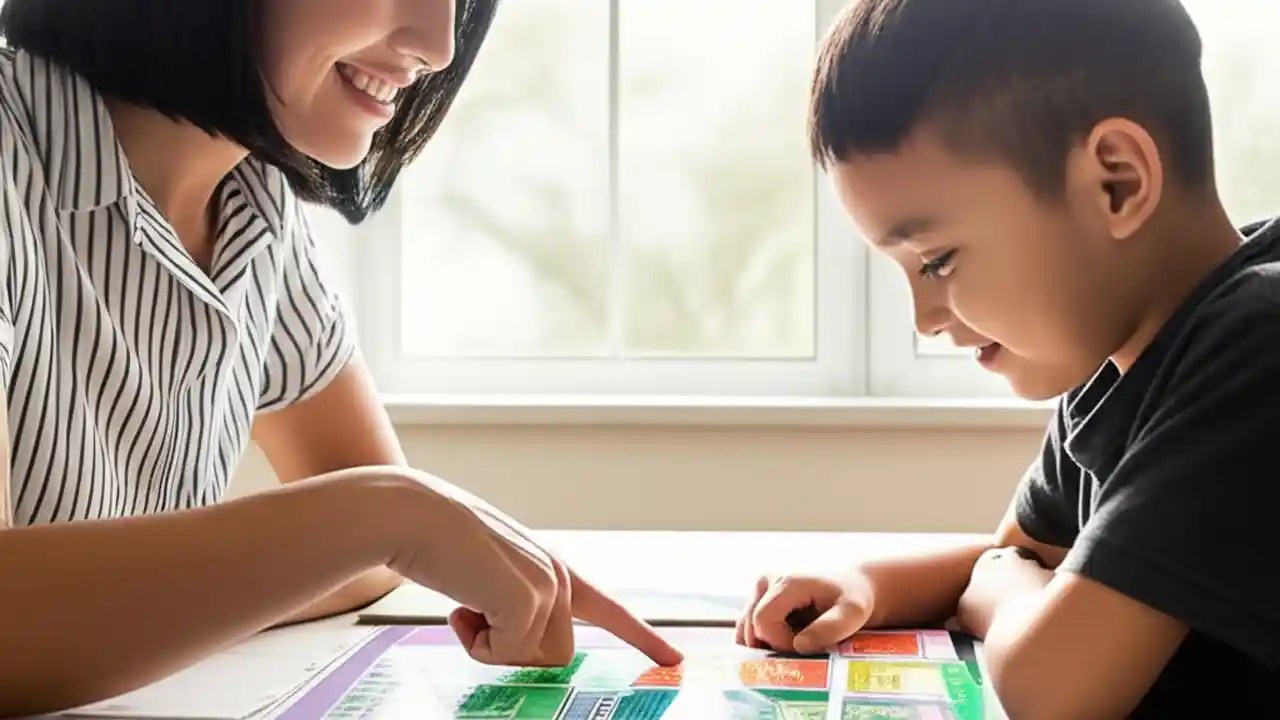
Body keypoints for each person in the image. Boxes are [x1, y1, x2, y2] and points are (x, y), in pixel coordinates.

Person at [0, 0, 682, 715]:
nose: (438, 45)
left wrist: (383, 525)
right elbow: (372, 521)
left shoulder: (251, 202)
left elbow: (371, 552)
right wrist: (386, 516)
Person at [737, 0, 1280, 716]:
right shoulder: (1120, 356)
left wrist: (997, 592)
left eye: (937, 262)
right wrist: (868, 582)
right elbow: (1029, 556)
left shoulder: (1257, 341)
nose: (925, 320)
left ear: (1115, 182)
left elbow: (1050, 686)